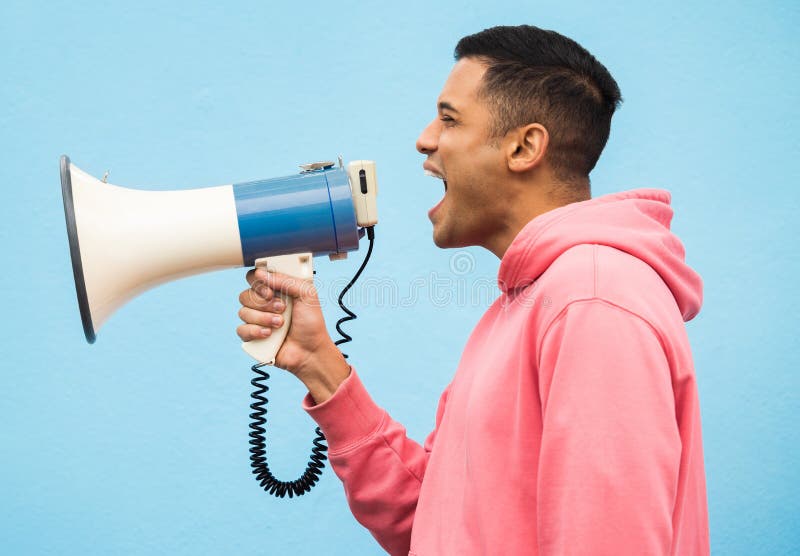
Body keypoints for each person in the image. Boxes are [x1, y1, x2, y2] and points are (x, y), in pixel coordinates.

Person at [237, 25, 710, 556]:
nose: (425, 138)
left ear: (523, 147)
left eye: (449, 119)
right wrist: (318, 363)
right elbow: (431, 523)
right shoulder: (534, 303)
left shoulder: (593, 301)